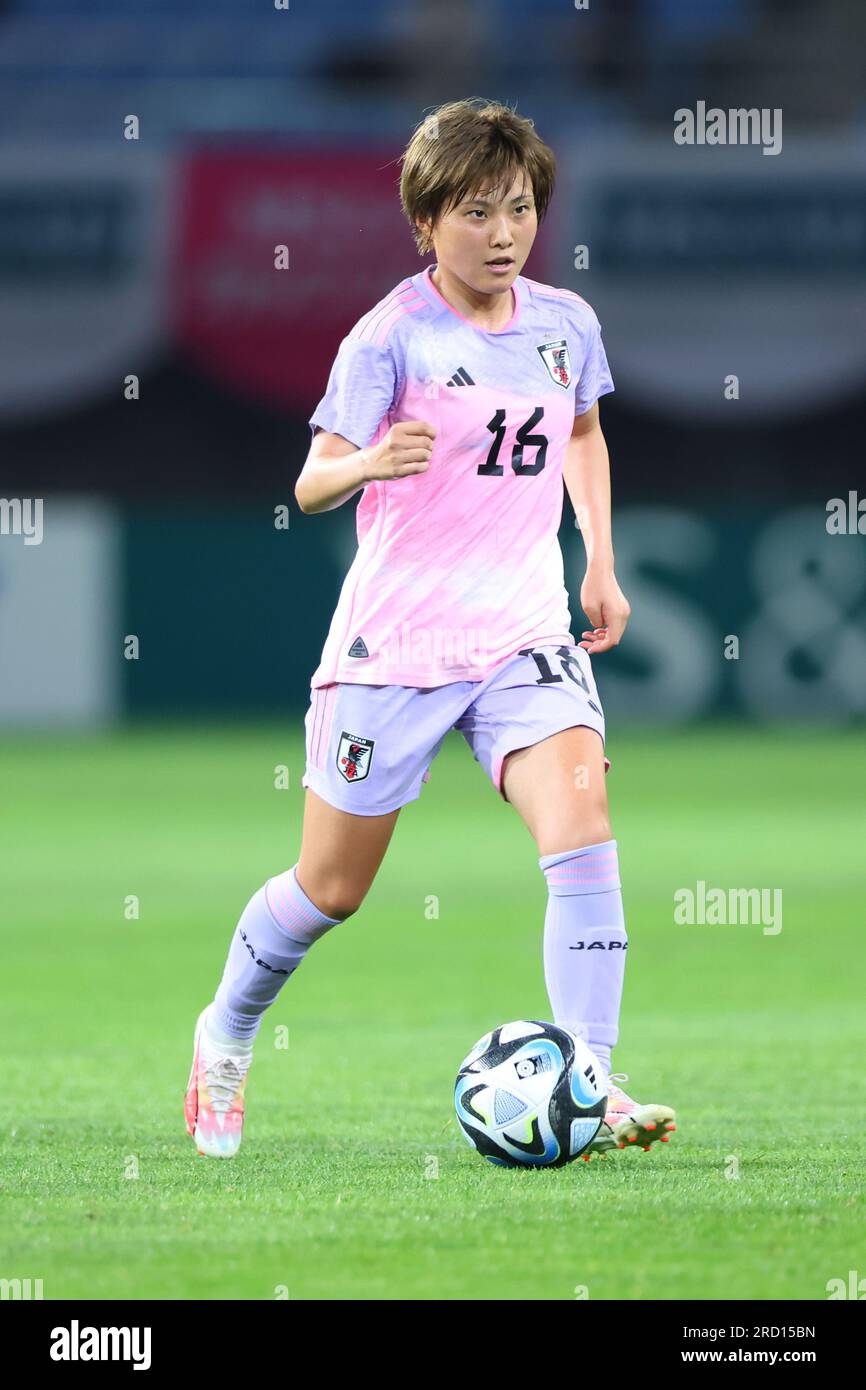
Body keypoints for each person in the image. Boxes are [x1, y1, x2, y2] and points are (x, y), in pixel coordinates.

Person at [184, 97, 676, 1162]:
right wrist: (369, 462)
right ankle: (224, 1032)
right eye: (475, 212)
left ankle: (591, 1081)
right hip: (398, 647)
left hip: (523, 634)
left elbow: (582, 433)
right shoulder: (389, 337)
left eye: (520, 208)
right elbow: (312, 480)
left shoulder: (565, 325)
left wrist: (597, 555)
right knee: (330, 889)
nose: (503, 233)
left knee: (583, 826)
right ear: (425, 223)